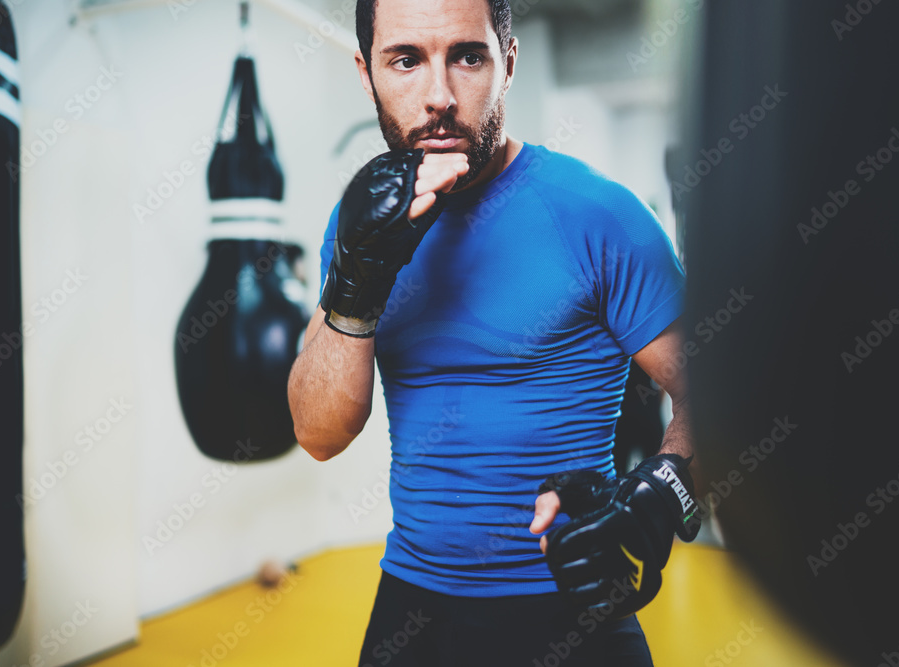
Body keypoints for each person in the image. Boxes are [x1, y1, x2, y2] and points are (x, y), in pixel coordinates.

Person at [287, 0, 700, 664]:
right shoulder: (364, 219)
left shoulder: (598, 216)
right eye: (406, 60)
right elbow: (318, 433)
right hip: (413, 607)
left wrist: (660, 491)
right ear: (366, 74)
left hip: (574, 597)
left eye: (467, 56)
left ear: (507, 64)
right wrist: (356, 287)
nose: (439, 97)